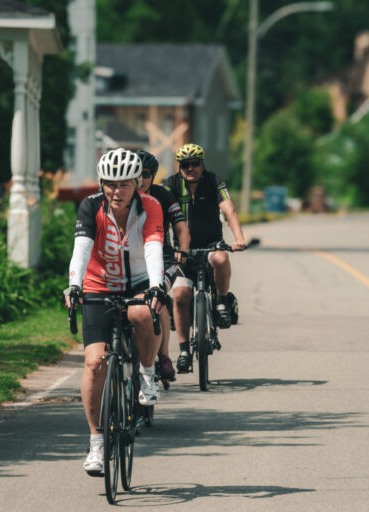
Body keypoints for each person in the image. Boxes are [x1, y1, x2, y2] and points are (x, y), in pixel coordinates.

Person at [63, 148, 166, 475]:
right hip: (98, 284)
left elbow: (153, 247)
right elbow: (81, 249)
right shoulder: (90, 207)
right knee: (95, 363)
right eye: (109, 183)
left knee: (141, 314)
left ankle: (147, 374)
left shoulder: (150, 206)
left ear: (137, 183)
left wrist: (156, 286)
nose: (116, 191)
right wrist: (74, 285)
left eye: (123, 184)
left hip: (136, 282)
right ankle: (95, 443)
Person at [162, 143, 246, 373]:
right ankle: (184, 351)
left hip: (211, 245)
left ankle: (221, 301)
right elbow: (160, 216)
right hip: (183, 250)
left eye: (195, 164)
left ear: (202, 164)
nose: (190, 168)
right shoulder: (169, 185)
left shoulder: (214, 181)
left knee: (220, 259)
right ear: (179, 166)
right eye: (185, 165)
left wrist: (239, 238)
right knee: (180, 295)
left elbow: (229, 209)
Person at [136, 150, 190, 382]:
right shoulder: (120, 195)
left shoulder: (163, 195)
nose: (141, 180)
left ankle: (165, 357)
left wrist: (183, 250)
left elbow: (180, 226)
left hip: (163, 258)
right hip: (126, 261)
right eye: (136, 174)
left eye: (146, 175)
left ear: (154, 175)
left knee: (159, 300)